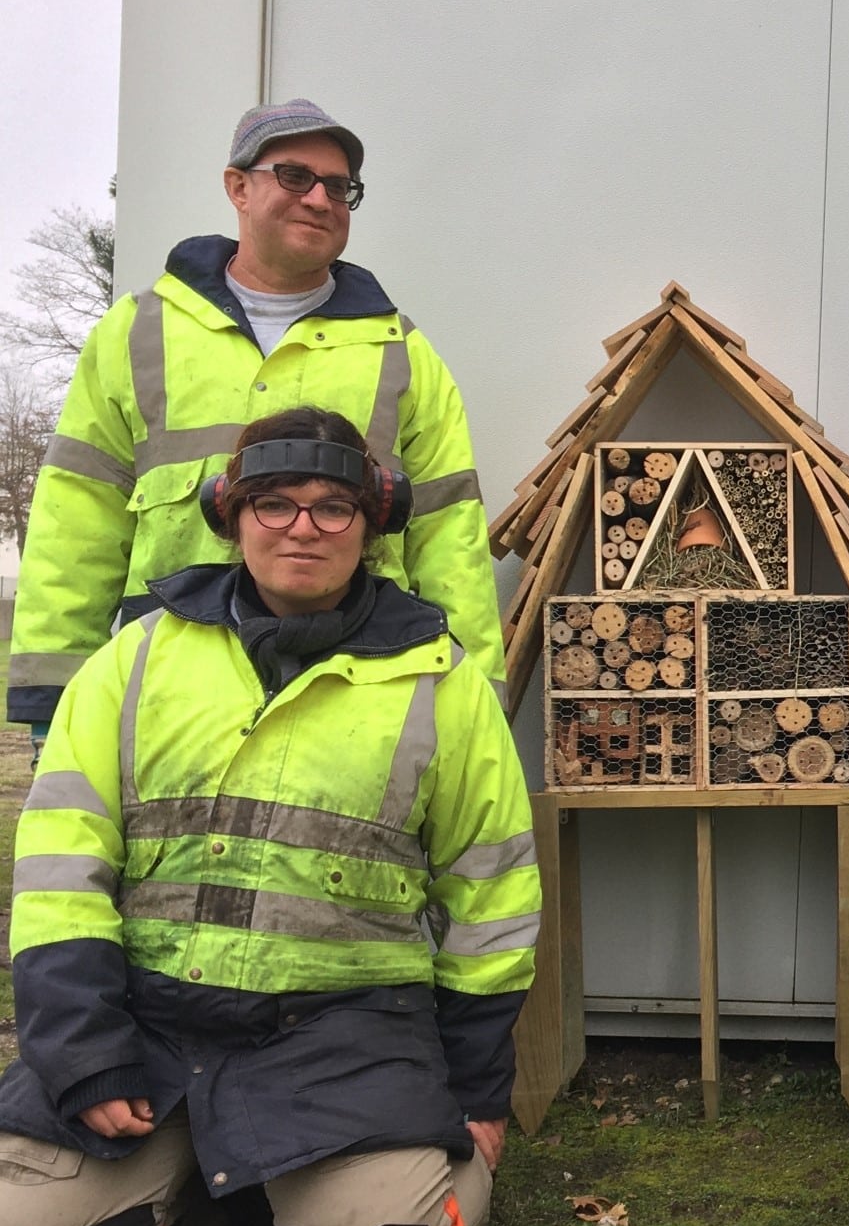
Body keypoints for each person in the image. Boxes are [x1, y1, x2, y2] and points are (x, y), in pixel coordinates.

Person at [0, 407, 541, 1226]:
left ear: (372, 526)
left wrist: (477, 1095)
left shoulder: (442, 682)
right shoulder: (134, 661)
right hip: (154, 1024)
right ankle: (226, 1180)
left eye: (334, 506)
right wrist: (85, 1050)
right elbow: (61, 868)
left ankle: (306, 1176)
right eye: (274, 502)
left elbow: (491, 896)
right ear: (230, 513)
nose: (302, 526)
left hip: (345, 1032)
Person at [8, 97, 505, 752]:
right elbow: (77, 519)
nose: (320, 199)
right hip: (165, 687)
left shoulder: (400, 354)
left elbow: (450, 538)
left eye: (339, 187)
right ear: (237, 187)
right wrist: (54, 698)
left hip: (355, 692)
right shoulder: (136, 333)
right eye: (295, 177)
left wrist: (473, 693)